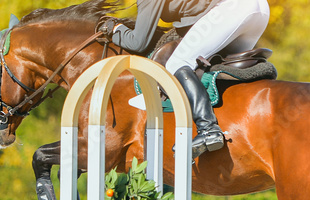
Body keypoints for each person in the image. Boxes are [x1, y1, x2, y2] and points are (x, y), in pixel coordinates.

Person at [103, 0, 270, 159]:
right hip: (259, 9)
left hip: (235, 8)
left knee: (177, 63)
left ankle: (208, 129)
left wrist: (115, 28)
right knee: (216, 64)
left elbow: (138, 43)